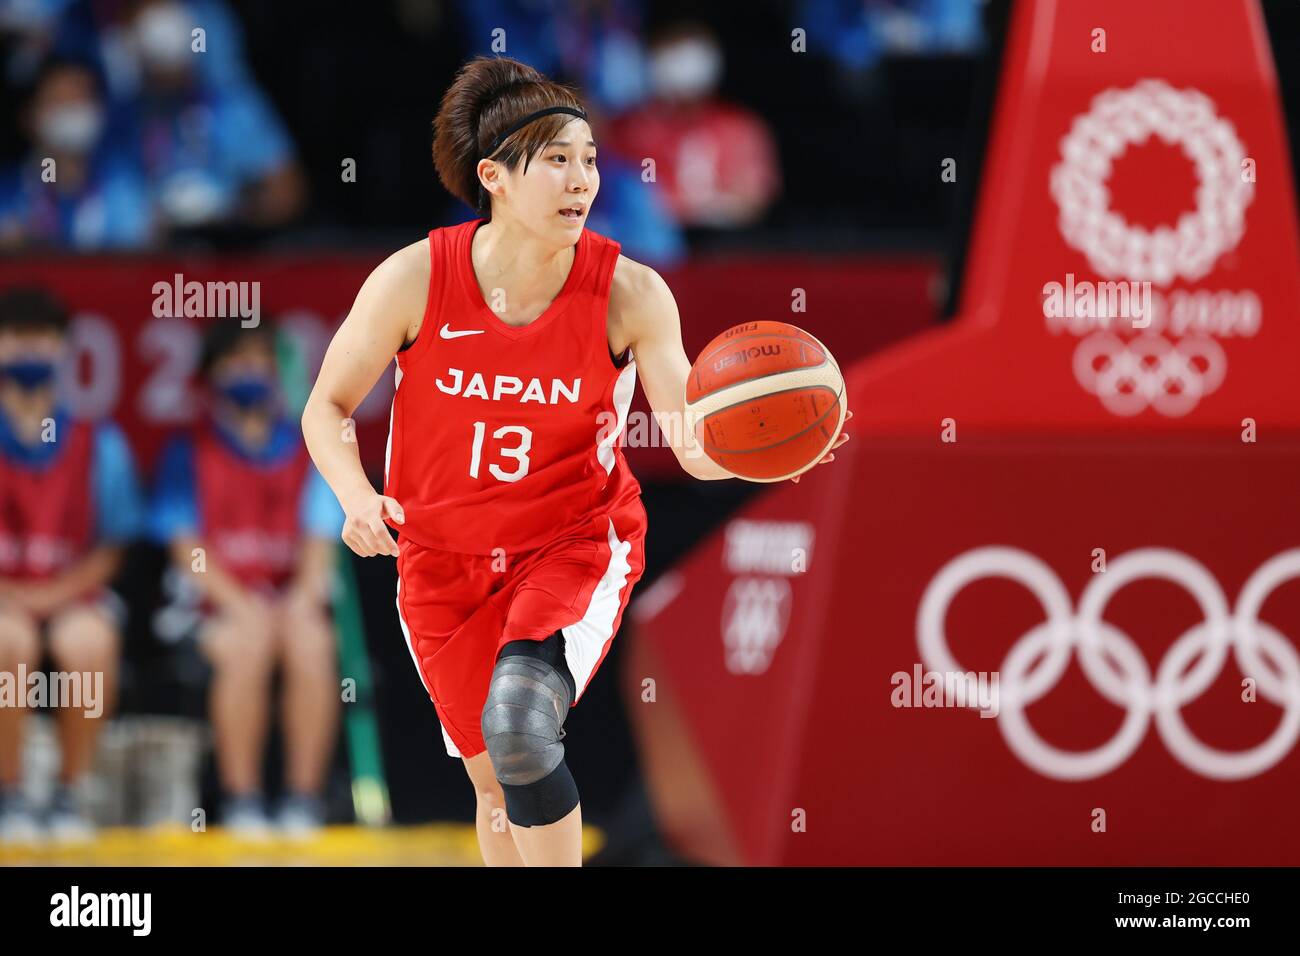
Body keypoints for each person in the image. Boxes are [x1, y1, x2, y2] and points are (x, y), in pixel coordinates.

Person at [301, 56, 849, 866]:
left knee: (520, 724)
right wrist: (354, 494)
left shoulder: (631, 293)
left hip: (573, 544)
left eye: (590, 159)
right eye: (557, 159)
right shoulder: (414, 278)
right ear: (494, 176)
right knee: (494, 783)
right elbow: (326, 407)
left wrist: (760, 455)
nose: (581, 179)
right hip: (440, 559)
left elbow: (692, 445)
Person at [150, 319, 343, 837]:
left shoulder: (310, 449)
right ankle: (243, 800)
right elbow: (185, 548)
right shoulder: (186, 450)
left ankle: (303, 800)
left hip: (286, 600)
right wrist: (242, 605)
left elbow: (320, 544)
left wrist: (300, 603)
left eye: (260, 360)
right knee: (248, 640)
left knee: (312, 641)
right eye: (235, 362)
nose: (249, 372)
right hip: (211, 608)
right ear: (211, 376)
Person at [0, 286, 144, 843]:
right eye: (15, 339)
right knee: (6, 642)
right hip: (5, 601)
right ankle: (10, 794)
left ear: (61, 350)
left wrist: (51, 595)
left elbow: (112, 546)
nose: (28, 351)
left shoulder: (98, 440)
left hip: (70, 594)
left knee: (88, 644)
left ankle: (69, 791)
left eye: (41, 339)